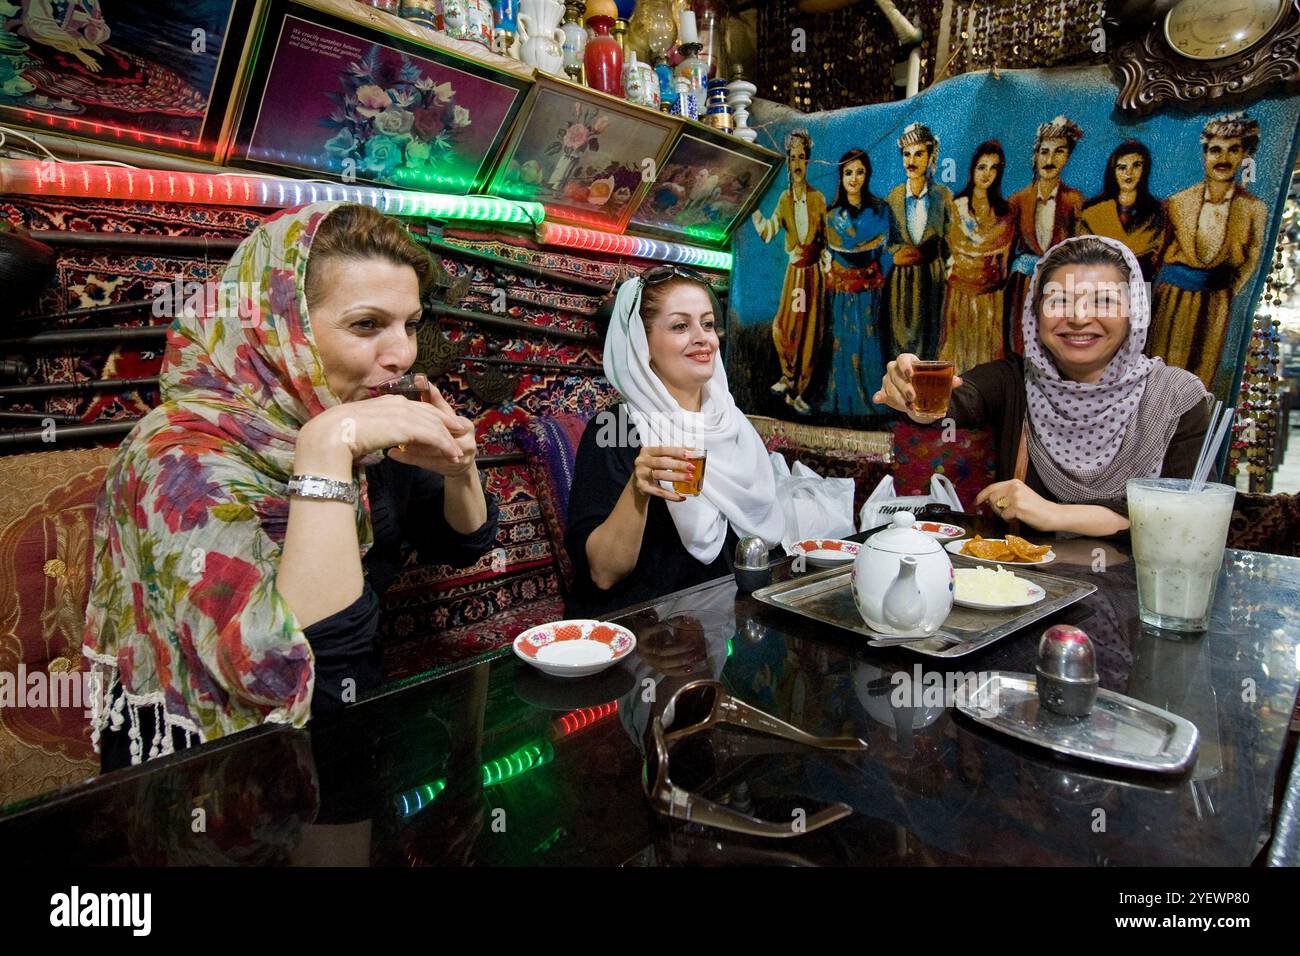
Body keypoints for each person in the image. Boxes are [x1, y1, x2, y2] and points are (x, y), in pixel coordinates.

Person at [83, 201, 498, 770]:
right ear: (282, 327)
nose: (403, 354)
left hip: (346, 727)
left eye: (410, 324)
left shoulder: (356, 419)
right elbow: (287, 670)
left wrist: (460, 469)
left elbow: (461, 545)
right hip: (221, 772)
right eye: (367, 324)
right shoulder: (175, 458)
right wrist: (326, 450)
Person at [874, 235, 1211, 537]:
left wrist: (1056, 515)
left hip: (1144, 597)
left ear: (1134, 312)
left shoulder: (1176, 399)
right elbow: (956, 401)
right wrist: (912, 392)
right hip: (1023, 594)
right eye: (1059, 300)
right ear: (1035, 312)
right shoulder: (1014, 381)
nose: (1079, 317)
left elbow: (1187, 521)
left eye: (1104, 301)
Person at [565, 267, 785, 618]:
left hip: (734, 620)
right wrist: (639, 490)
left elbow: (764, 546)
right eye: (681, 326)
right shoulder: (616, 429)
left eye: (708, 324)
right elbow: (603, 574)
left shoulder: (734, 424)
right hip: (651, 630)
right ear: (643, 345)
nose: (703, 339)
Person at [1150, 112, 1267, 389]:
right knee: (1160, 372)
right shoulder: (1179, 202)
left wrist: (1226, 291)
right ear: (1204, 154)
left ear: (1244, 155)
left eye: (1233, 150)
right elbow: (1159, 254)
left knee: (1201, 378)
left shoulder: (1253, 208)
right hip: (1173, 300)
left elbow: (1252, 257)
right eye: (1215, 150)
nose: (1223, 158)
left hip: (1216, 301)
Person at [750, 129, 828, 416]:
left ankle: (798, 390)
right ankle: (787, 375)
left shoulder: (818, 199)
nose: (797, 163)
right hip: (794, 273)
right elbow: (768, 232)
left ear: (808, 162)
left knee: (809, 332)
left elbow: (826, 241)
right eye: (792, 157)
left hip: (813, 275)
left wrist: (825, 264)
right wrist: (752, 209)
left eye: (801, 158)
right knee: (783, 327)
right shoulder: (783, 199)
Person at [1006, 115, 1085, 354]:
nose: (1049, 160)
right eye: (1044, 152)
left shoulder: (1075, 201)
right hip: (1024, 287)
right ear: (1036, 155)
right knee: (1021, 345)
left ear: (1067, 157)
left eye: (1058, 152)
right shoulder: (1019, 200)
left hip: (1059, 287)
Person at [822, 148, 891, 416]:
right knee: (843, 343)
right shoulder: (831, 216)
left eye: (859, 172)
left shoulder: (879, 211)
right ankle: (843, 403)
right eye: (848, 172)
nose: (854, 178)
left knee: (869, 343)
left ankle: (872, 403)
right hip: (840, 291)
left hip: (870, 291)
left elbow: (883, 253)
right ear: (841, 176)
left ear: (867, 175)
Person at [938, 139, 1016, 372]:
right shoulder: (955, 208)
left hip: (989, 300)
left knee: (987, 359)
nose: (987, 174)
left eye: (994, 168)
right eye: (982, 167)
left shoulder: (1005, 214)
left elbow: (1005, 262)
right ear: (973, 169)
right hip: (959, 295)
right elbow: (946, 252)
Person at [882, 122, 952, 360]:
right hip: (901, 281)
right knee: (900, 340)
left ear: (931, 156)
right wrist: (897, 253)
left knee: (929, 339)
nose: (911, 161)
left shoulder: (942, 196)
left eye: (919, 154)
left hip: (932, 278)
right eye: (906, 154)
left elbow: (951, 239)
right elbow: (887, 239)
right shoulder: (893, 197)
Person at [1076, 139, 1168, 281]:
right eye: (1122, 167)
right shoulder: (1092, 212)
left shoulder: (1156, 213)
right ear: (1113, 171)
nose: (1129, 173)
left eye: (1136, 165)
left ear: (1145, 169)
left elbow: (1158, 257)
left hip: (1141, 286)